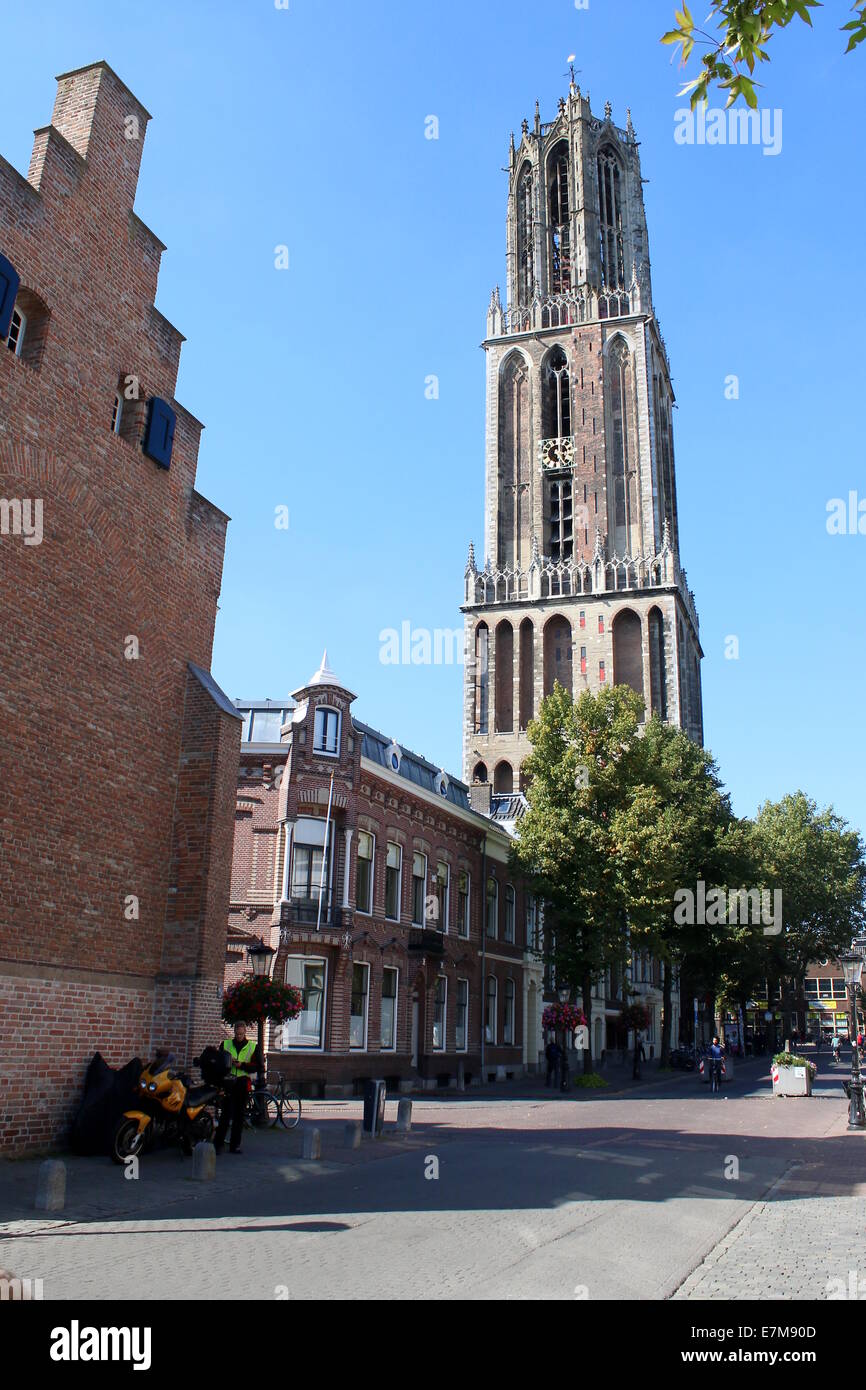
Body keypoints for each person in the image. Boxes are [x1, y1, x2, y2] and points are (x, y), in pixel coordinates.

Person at [214, 1022, 262, 1154]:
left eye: (241, 1034)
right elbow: (219, 1062)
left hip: (242, 1082)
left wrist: (243, 1065)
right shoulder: (226, 1044)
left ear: (245, 1032)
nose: (239, 1036)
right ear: (234, 1031)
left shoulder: (253, 1047)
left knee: (239, 1116)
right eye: (237, 1033)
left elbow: (258, 1066)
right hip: (229, 1082)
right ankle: (218, 1144)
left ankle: (235, 1145)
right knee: (225, 1114)